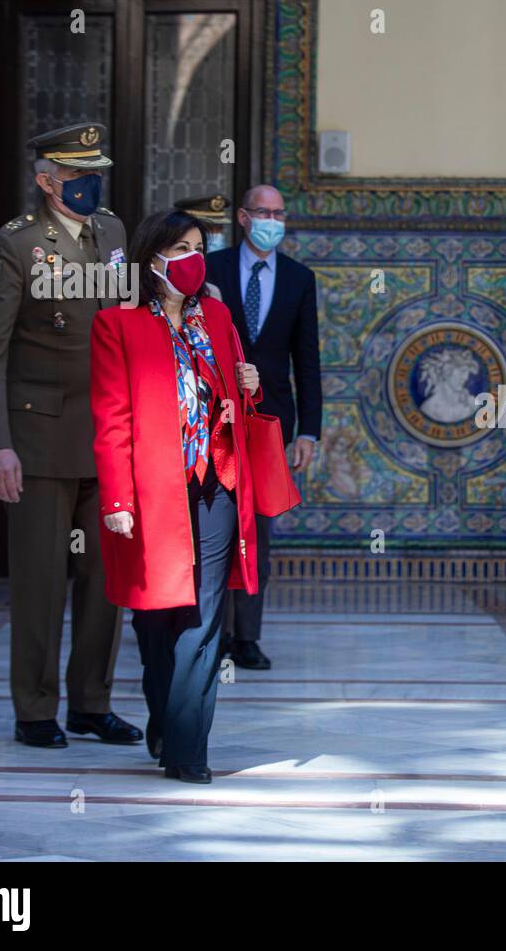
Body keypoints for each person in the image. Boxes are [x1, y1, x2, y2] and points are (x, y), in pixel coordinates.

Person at [0, 122, 140, 750]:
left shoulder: (114, 231)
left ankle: (91, 702)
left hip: (106, 435)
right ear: (47, 181)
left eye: (95, 174)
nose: (90, 184)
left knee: (104, 579)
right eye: (77, 176)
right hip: (37, 439)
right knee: (40, 582)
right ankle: (35, 707)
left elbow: (123, 329)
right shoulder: (15, 246)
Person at [90, 209, 262, 784]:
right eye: (181, 248)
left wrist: (247, 386)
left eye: (199, 247)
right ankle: (164, 719)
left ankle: (189, 750)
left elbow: (232, 396)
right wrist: (116, 500)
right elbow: (112, 420)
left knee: (203, 616)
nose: (193, 259)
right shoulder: (118, 325)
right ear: (152, 259)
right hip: (153, 493)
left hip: (214, 482)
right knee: (155, 619)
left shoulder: (215, 314)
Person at [206, 184, 321, 669]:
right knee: (213, 524)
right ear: (243, 217)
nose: (272, 219)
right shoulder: (210, 269)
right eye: (262, 212)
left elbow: (307, 358)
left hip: (270, 422)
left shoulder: (298, 278)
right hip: (214, 417)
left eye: (279, 212)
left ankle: (246, 637)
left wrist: (309, 431)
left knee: (259, 529)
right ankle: (211, 631)